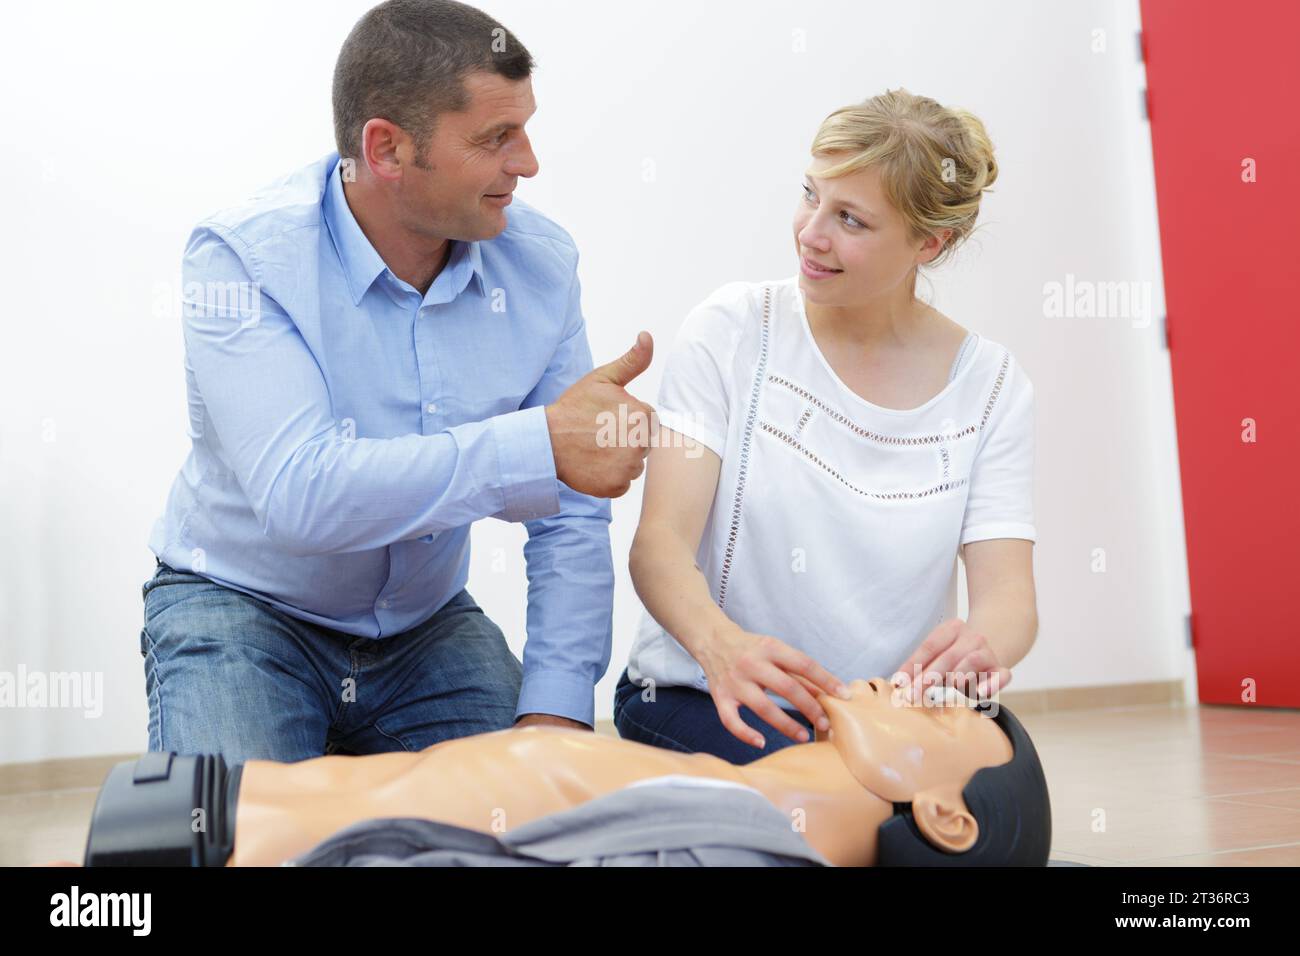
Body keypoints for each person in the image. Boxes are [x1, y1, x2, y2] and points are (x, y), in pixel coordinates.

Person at [141, 0, 655, 765]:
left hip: (426, 629)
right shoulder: (243, 260)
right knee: (234, 839)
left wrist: (556, 709)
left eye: (525, 128)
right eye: (495, 138)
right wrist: (539, 444)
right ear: (386, 148)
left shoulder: (542, 267)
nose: (528, 162)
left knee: (544, 826)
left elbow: (570, 515)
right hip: (242, 610)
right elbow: (301, 496)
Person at [617, 88, 1039, 764]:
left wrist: (983, 645)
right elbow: (659, 544)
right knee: (833, 809)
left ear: (930, 242)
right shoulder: (730, 331)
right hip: (706, 696)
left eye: (851, 219)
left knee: (998, 815)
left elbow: (1009, 595)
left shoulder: (989, 384)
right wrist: (721, 645)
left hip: (886, 719)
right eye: (810, 196)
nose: (812, 233)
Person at [77, 679, 1052, 867]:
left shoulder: (735, 851)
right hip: (197, 800)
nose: (899, 682)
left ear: (945, 816)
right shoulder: (726, 797)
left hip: (202, 852)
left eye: (936, 713)